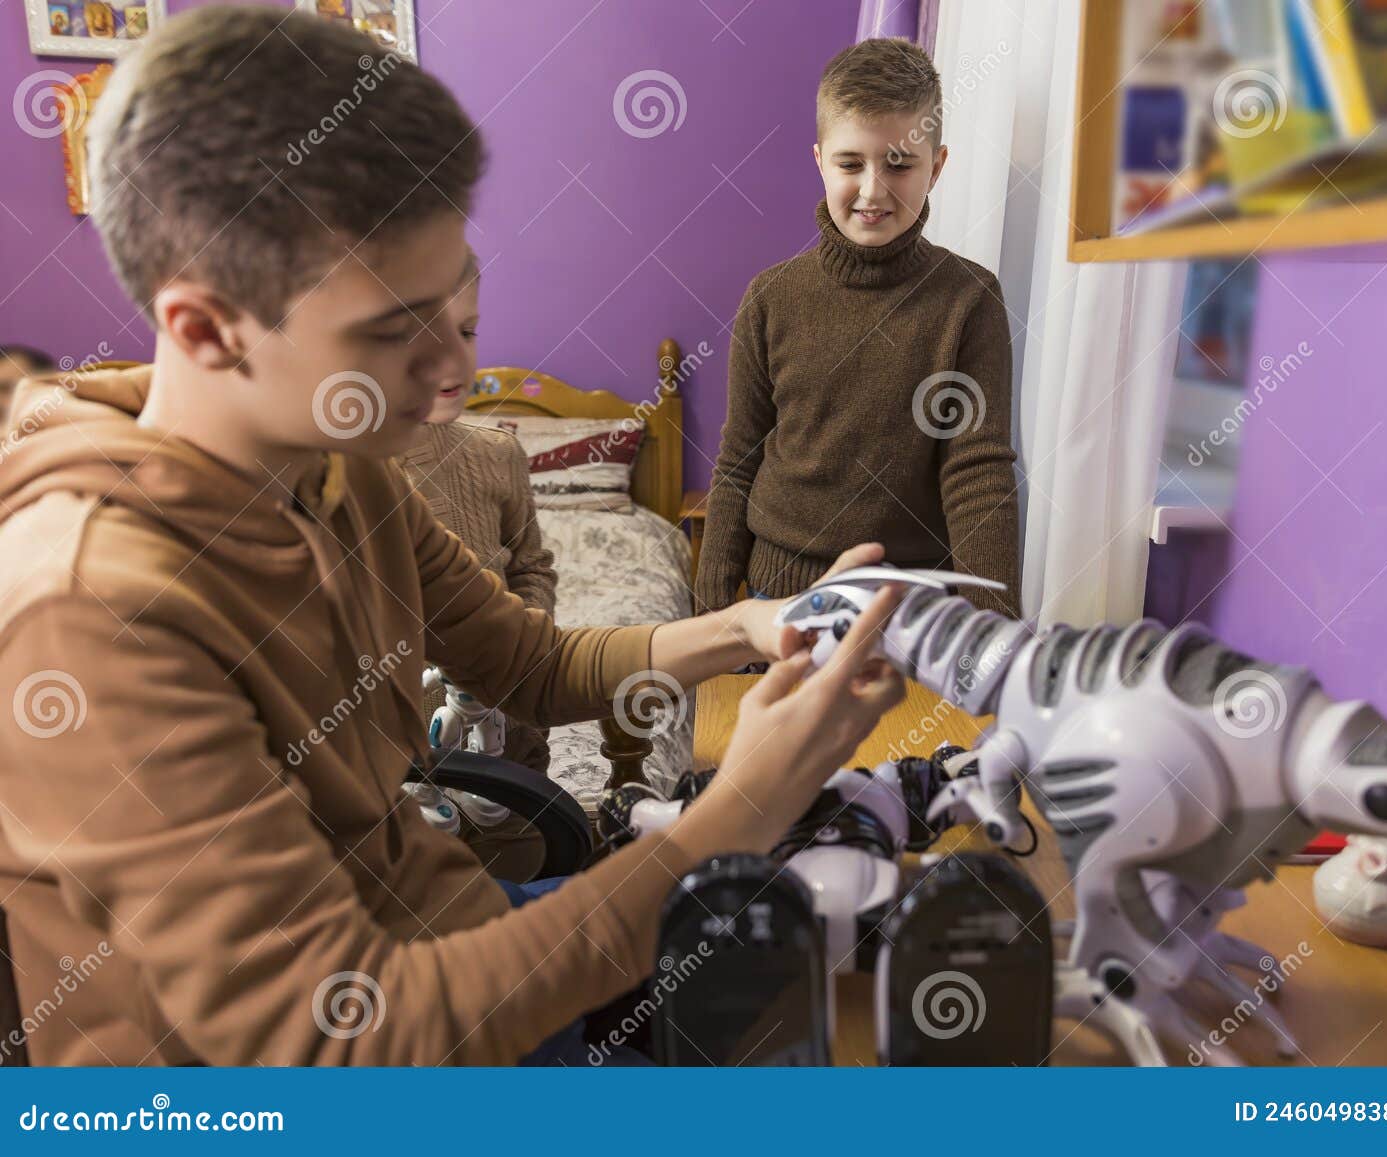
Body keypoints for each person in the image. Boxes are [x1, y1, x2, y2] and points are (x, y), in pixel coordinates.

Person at [0, 6, 905, 1066]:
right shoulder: (88, 609)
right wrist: (744, 801)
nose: (451, 380)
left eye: (455, 312)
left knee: (798, 975)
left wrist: (752, 625)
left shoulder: (342, 466)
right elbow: (346, 1033)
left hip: (437, 929)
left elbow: (531, 658)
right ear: (205, 327)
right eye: (391, 331)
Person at [695, 37, 1020, 618]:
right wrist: (713, 616)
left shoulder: (970, 300)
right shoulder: (771, 298)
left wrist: (993, 636)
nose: (873, 190)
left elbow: (979, 475)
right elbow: (741, 455)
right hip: (783, 601)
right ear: (820, 161)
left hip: (919, 609)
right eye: (851, 164)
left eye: (899, 163)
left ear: (936, 167)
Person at [399, 253, 555, 883]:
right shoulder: (330, 474)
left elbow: (532, 567)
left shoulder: (499, 453)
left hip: (505, 718)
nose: (455, 361)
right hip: (398, 740)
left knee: (524, 877)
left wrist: (517, 646)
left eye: (466, 333)